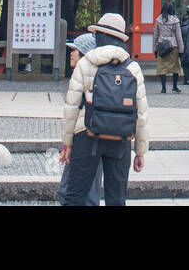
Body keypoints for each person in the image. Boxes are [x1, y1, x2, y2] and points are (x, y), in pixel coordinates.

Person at [59, 13, 149, 206]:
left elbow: (72, 107)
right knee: (116, 199)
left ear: (99, 36)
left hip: (87, 134)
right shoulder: (132, 68)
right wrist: (140, 151)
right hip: (121, 138)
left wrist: (67, 144)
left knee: (75, 197)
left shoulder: (85, 64)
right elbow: (141, 113)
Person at [56, 33, 102, 206]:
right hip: (96, 132)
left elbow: (72, 111)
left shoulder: (82, 75)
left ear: (84, 53)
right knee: (89, 190)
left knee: (70, 189)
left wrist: (67, 144)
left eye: (74, 50)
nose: (71, 53)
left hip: (82, 135)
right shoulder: (97, 74)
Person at [154, 2, 185, 93]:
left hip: (161, 45)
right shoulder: (175, 20)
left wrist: (155, 49)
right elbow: (179, 36)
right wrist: (181, 49)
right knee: (175, 67)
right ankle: (174, 86)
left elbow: (156, 35)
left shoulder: (158, 20)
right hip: (173, 46)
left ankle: (163, 88)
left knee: (162, 67)